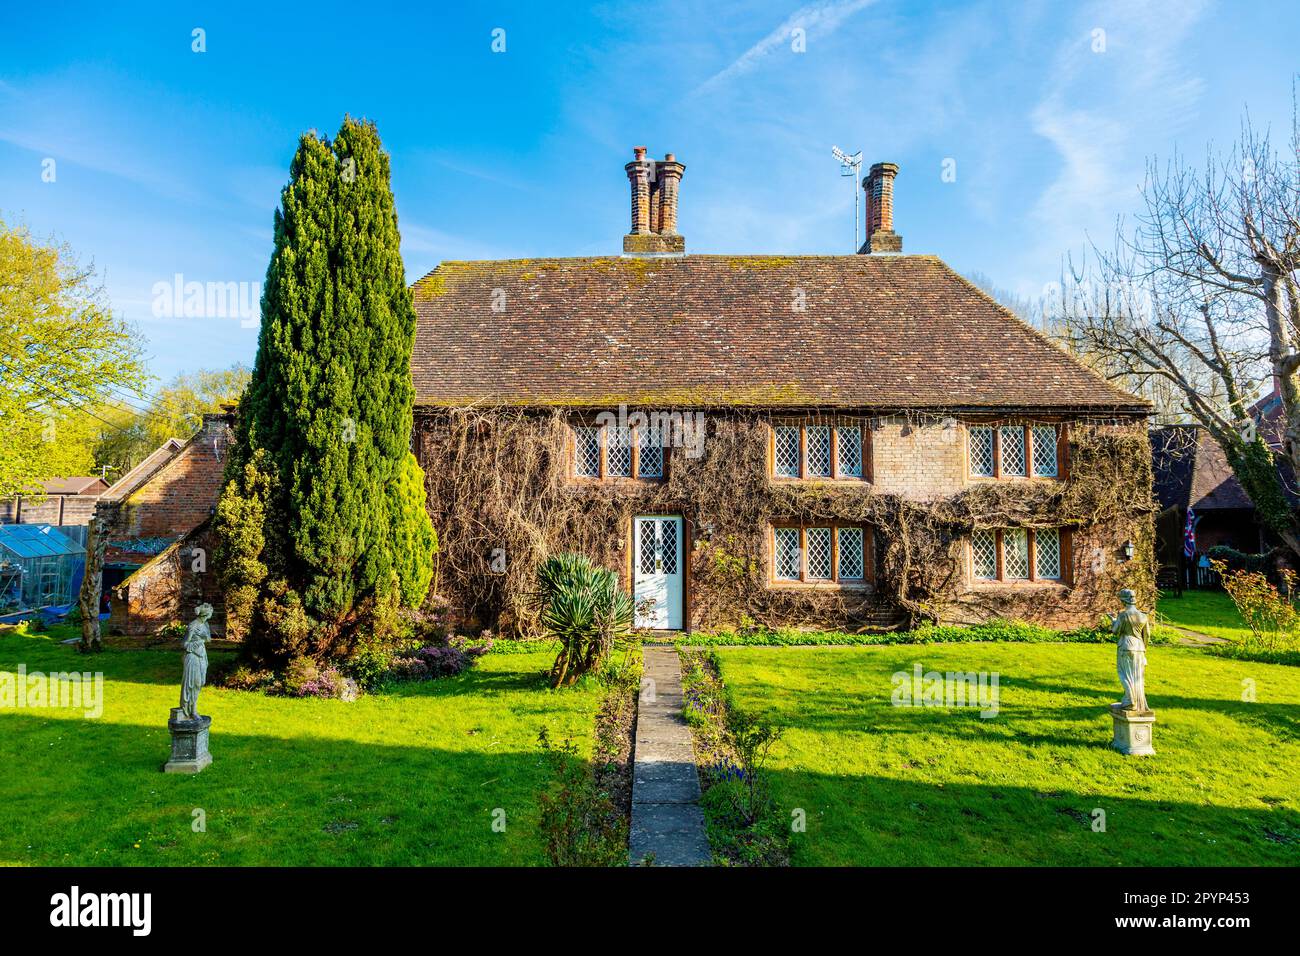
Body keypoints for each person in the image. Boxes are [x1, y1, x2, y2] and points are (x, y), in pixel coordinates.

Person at [1104, 589, 1150, 714]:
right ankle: (1137, 700)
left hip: (1125, 646)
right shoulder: (1143, 616)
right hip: (1139, 648)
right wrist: (1144, 650)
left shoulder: (1123, 615)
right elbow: (1147, 636)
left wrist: (1113, 621)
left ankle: (1130, 700)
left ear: (1123, 600)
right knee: (1137, 676)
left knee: (1124, 674)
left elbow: (1115, 630)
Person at [179, 603, 213, 720]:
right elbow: (184, 644)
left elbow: (208, 639)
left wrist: (204, 637)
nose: (211, 614)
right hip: (192, 657)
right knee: (194, 684)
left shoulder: (205, 625)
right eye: (210, 613)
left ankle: (193, 708)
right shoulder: (193, 626)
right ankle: (191, 710)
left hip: (202, 656)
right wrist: (197, 643)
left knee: (200, 683)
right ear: (206, 614)